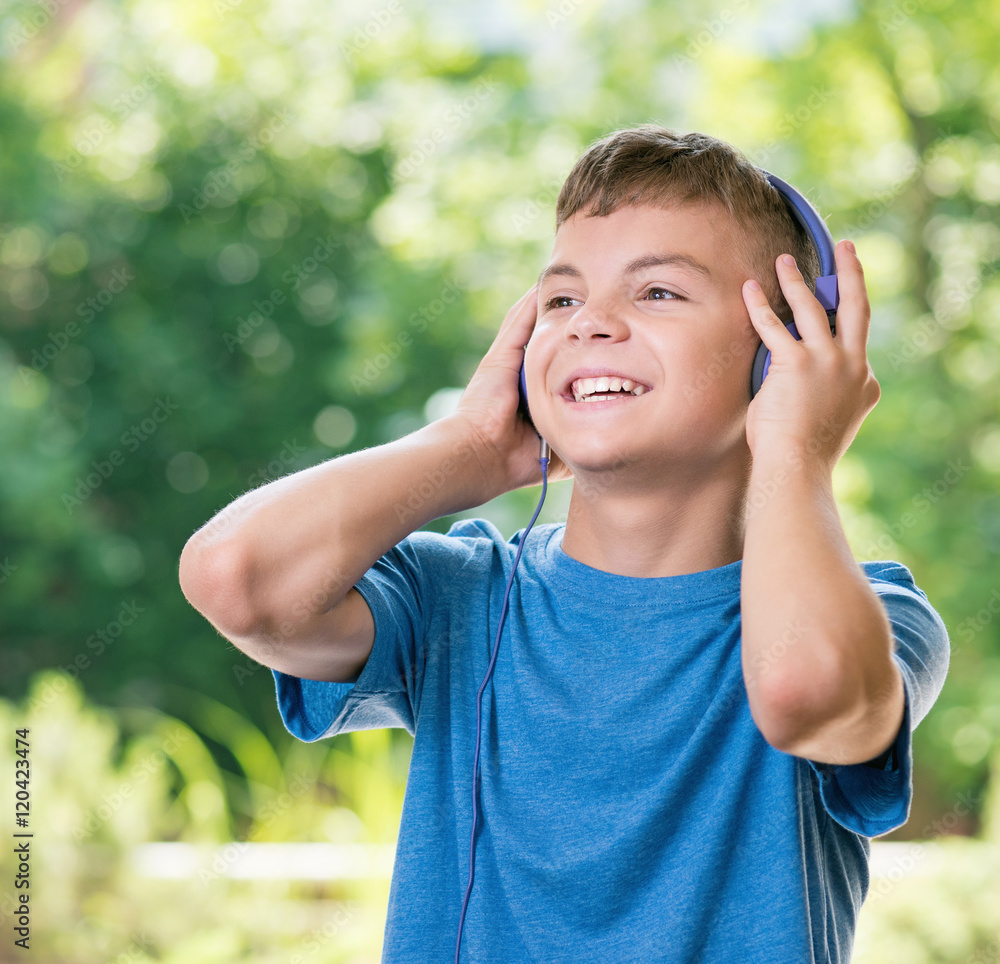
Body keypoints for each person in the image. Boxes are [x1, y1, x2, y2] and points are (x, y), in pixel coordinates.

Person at [178, 125, 951, 963]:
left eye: (657, 292)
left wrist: (796, 447)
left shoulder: (874, 615)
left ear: (781, 354)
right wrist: (469, 446)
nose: (593, 324)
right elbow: (234, 576)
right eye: (561, 299)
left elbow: (804, 688)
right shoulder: (460, 594)